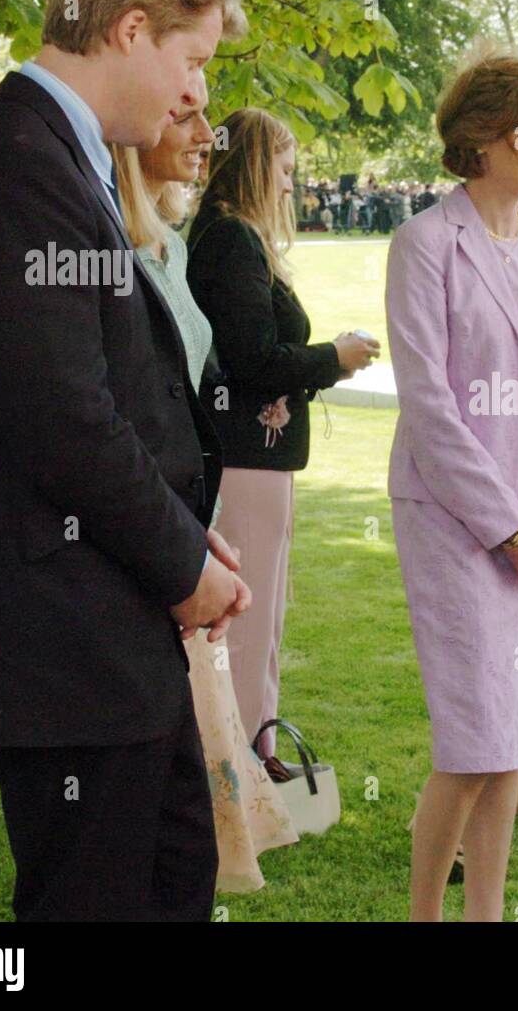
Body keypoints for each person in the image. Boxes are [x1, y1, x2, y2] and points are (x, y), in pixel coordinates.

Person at [0, 0, 251, 921]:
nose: (194, 93)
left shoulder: (55, 157)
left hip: (107, 639)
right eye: (190, 59)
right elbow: (66, 421)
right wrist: (184, 565)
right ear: (130, 29)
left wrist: (184, 533)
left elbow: (109, 393)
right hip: (69, 648)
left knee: (169, 883)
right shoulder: (22, 166)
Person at [386, 50, 518, 921]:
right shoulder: (425, 243)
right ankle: (426, 914)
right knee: (473, 739)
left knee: (513, 738)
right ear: (482, 137)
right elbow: (431, 407)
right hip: (455, 522)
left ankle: (486, 912)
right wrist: (509, 527)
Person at [109, 109, 299, 893]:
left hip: (193, 497)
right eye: (183, 113)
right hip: (156, 512)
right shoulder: (126, 244)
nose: (200, 133)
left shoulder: (175, 243)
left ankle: (232, 794)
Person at [187, 108, 380, 778]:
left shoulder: (230, 235)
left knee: (263, 615)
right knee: (245, 617)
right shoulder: (232, 239)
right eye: (286, 171)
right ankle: (236, 764)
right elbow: (254, 360)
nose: (293, 186)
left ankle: (257, 749)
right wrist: (336, 356)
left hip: (262, 455)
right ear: (256, 165)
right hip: (245, 455)